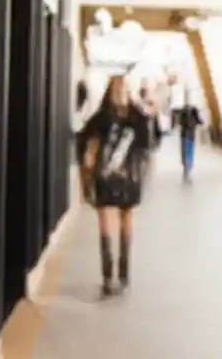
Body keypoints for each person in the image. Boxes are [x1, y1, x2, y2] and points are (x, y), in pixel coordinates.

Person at [77, 75, 151, 297]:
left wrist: (88, 161)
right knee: (123, 222)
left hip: (106, 175)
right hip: (127, 177)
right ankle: (121, 275)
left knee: (107, 223)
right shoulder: (137, 118)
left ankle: (110, 277)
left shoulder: (102, 117)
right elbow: (146, 147)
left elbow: (83, 140)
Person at [173, 85, 204, 183]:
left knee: (187, 151)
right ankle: (187, 168)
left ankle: (187, 168)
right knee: (188, 151)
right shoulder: (187, 110)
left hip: (187, 134)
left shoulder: (191, 110)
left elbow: (198, 121)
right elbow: (199, 121)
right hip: (188, 134)